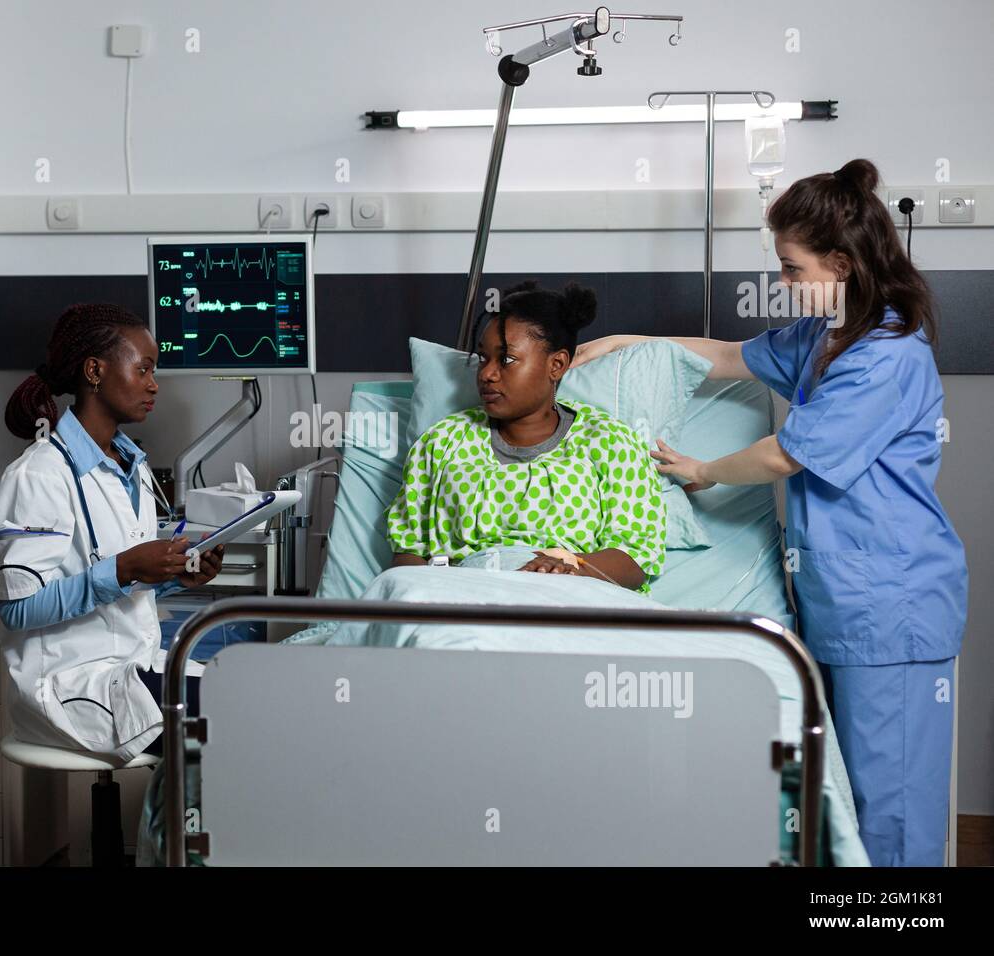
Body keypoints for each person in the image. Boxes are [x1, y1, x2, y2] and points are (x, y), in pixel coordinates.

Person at [575, 159, 967, 866]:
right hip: (841, 600)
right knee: (844, 796)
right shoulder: (827, 335)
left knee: (892, 811)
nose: (781, 286)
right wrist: (623, 345)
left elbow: (786, 456)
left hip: (893, 603)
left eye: (791, 269)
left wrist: (702, 472)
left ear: (841, 264)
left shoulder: (885, 355)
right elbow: (727, 356)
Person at [0, 303, 224, 761]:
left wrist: (177, 575)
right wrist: (124, 568)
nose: (154, 385)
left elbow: (121, 587)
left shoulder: (127, 465)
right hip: (70, 684)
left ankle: (181, 833)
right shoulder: (39, 474)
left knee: (252, 697)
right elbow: (16, 609)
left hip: (134, 669)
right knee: (233, 725)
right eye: (144, 369)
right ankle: (181, 833)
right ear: (94, 371)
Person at [387, 281, 667, 592]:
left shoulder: (611, 444)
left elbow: (634, 559)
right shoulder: (441, 444)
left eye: (506, 360)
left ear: (556, 365)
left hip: (571, 595)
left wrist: (569, 567)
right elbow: (408, 555)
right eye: (483, 358)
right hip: (462, 598)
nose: (486, 374)